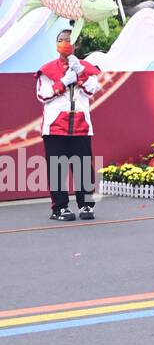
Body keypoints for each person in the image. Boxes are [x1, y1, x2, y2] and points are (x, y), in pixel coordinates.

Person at [35, 27, 102, 221]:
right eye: (61, 40)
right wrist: (63, 82)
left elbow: (92, 90)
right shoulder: (47, 69)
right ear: (56, 45)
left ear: (77, 44)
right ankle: (59, 208)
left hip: (80, 125)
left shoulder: (86, 67)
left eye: (69, 40)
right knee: (57, 169)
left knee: (83, 168)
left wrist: (80, 74)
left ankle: (86, 206)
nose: (65, 43)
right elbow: (42, 95)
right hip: (55, 127)